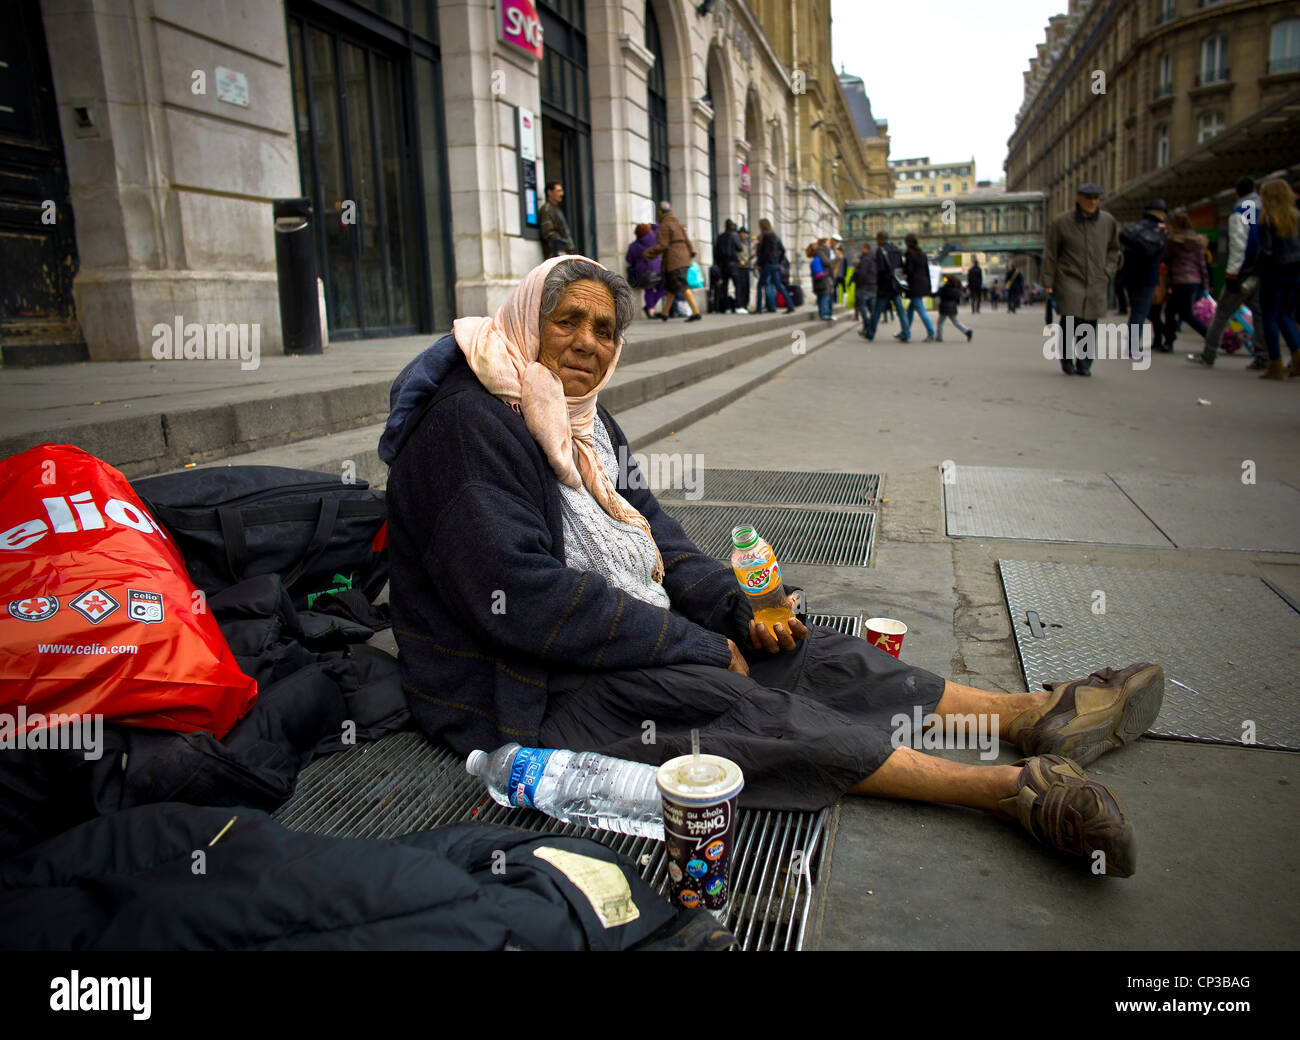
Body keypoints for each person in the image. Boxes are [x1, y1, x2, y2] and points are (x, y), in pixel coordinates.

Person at [382, 253, 1166, 878]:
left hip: (597, 631)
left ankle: (1025, 715)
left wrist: (735, 610)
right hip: (512, 688)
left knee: (796, 645)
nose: (589, 342)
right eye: (568, 322)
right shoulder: (468, 425)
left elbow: (656, 533)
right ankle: (1002, 793)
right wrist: (693, 644)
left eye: (604, 329)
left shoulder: (576, 416)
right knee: (719, 695)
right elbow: (517, 597)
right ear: (526, 322)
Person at [1041, 182, 1121, 376]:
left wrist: (1108, 271)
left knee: (1089, 322)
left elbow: (1114, 249)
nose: (1093, 202)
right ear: (1078, 198)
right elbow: (1051, 253)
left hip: (1096, 279)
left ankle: (1084, 363)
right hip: (1069, 278)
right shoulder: (1061, 223)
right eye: (1088, 198)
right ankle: (1067, 360)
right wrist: (1048, 282)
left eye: (1096, 199)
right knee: (1070, 319)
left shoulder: (1108, 221)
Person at [1191, 178, 1263, 369]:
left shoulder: (1241, 212)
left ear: (1236, 193)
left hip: (1242, 271)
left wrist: (1232, 274)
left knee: (1222, 312)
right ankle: (1264, 355)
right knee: (1259, 312)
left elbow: (1240, 245)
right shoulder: (1262, 210)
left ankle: (1209, 354)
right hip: (1261, 270)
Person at [1254, 178, 1300, 380]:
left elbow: (1266, 251)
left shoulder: (1267, 218)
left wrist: (1256, 273)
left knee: (1270, 316)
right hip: (1295, 271)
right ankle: (1298, 356)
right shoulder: (1296, 216)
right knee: (1284, 314)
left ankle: (1275, 364)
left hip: (1274, 273)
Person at [1117, 197, 1168, 364]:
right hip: (1147, 277)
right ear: (1159, 213)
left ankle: (1157, 338)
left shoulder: (1133, 228)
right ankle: (1133, 346)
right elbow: (1160, 251)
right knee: (1140, 312)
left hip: (1129, 275)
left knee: (1137, 311)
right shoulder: (1158, 231)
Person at [1159, 212, 1210, 352]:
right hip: (1194, 281)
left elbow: (1163, 257)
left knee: (1184, 314)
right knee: (1172, 311)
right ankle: (1169, 340)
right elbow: (1202, 264)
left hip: (1180, 281)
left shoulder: (1174, 241)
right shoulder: (1196, 240)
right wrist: (1205, 285)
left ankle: (1211, 338)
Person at [645, 201, 701, 322]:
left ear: (660, 212)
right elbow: (687, 239)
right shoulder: (676, 221)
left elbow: (663, 245)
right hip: (683, 257)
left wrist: (648, 253)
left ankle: (696, 312)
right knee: (671, 287)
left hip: (674, 260)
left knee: (682, 285)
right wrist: (690, 251)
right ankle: (665, 313)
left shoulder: (665, 224)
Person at [899, 233, 936, 342]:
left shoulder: (909, 254)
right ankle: (905, 331)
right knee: (910, 310)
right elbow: (926, 270)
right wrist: (929, 286)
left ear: (907, 243)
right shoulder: (922, 254)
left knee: (921, 310)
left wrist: (903, 269)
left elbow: (909, 270)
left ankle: (931, 332)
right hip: (923, 283)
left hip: (914, 284)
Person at [625, 222, 665, 319]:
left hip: (641, 271)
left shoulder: (633, 245)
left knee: (649, 290)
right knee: (664, 288)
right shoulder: (654, 238)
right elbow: (660, 228)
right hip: (656, 268)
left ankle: (650, 311)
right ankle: (648, 308)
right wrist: (652, 225)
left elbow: (629, 259)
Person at [871, 232, 908, 332]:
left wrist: (878, 284)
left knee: (877, 311)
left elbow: (880, 269)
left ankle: (870, 332)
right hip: (895, 284)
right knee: (901, 311)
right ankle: (906, 332)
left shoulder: (880, 250)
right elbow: (901, 267)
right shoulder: (896, 250)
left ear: (879, 239)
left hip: (884, 285)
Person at [754, 218, 789, 313]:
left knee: (760, 286)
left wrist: (758, 263)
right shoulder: (775, 236)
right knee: (778, 285)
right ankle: (790, 304)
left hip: (767, 264)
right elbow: (782, 250)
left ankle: (758, 308)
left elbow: (762, 252)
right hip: (775, 264)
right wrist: (779, 260)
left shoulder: (764, 236)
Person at [714, 219, 744, 314]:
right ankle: (738, 306)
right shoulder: (734, 235)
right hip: (733, 263)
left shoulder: (720, 237)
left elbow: (716, 251)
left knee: (724, 286)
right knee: (737, 285)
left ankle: (726, 308)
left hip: (723, 264)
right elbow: (740, 248)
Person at [538, 181, 575, 259]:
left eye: (561, 190)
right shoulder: (547, 209)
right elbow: (548, 232)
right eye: (558, 191)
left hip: (563, 253)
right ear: (549, 192)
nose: (561, 194)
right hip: (557, 254)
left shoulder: (556, 209)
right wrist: (563, 247)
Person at [935, 275, 973, 342]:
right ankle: (967, 331)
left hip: (944, 307)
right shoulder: (956, 289)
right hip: (953, 308)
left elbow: (937, 294)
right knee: (956, 322)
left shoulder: (944, 288)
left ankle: (939, 337)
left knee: (940, 323)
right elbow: (961, 297)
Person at [855, 240, 879, 339]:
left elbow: (863, 273)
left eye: (862, 248)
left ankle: (868, 324)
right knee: (872, 309)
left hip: (865, 286)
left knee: (862, 306)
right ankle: (869, 326)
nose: (861, 250)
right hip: (874, 285)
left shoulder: (865, 259)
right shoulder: (875, 258)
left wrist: (859, 284)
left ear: (866, 249)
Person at [809, 241, 834, 320]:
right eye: (828, 242)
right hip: (823, 277)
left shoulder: (819, 252)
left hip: (821, 277)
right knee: (824, 295)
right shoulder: (821, 251)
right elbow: (827, 262)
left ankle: (824, 313)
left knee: (822, 295)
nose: (829, 244)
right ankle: (824, 314)